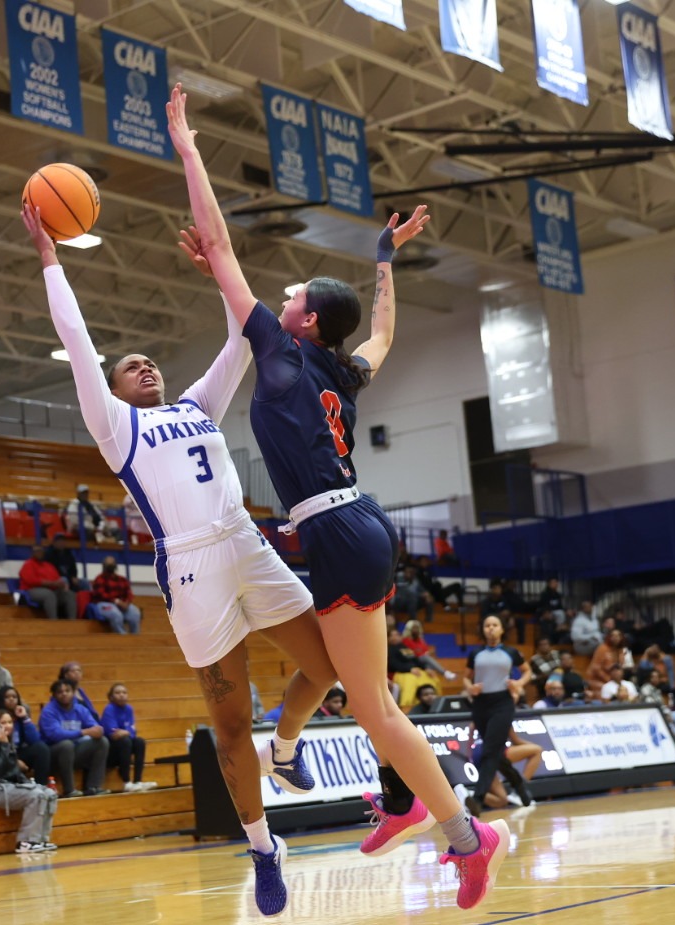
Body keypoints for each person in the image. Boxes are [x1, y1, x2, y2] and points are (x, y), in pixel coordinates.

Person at [170, 84, 504, 910]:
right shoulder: (338, 368)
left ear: (307, 322)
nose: (280, 297)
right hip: (354, 525)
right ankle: (391, 796)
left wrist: (187, 145)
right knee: (364, 694)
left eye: (292, 296)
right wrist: (383, 259)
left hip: (339, 530)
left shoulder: (282, 354)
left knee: (376, 708)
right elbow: (382, 333)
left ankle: (468, 836)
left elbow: (220, 240)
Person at [26, 177, 340, 917]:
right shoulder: (116, 427)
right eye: (130, 365)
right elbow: (77, 343)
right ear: (110, 389)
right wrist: (49, 258)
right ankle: (262, 848)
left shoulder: (197, 405)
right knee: (228, 726)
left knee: (329, 663)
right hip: (192, 566)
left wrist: (218, 270)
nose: (146, 366)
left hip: (246, 541)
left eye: (150, 361)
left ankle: (286, 746)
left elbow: (241, 338)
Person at [464, 615, 533, 812]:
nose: (491, 628)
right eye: (487, 625)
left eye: (495, 625)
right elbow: (466, 678)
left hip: (503, 703)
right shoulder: (475, 653)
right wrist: (470, 687)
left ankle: (478, 799)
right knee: (494, 752)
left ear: (502, 630)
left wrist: (518, 683)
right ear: (483, 630)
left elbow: (527, 671)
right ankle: (519, 784)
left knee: (490, 751)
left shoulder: (511, 652)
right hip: (481, 704)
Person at [0, 707, 59, 854]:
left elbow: (14, 771)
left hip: (9, 785)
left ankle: (41, 839)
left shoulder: (9, 742)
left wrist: (29, 783)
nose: (7, 726)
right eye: (3, 723)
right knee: (36, 796)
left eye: (10, 722)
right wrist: (4, 746)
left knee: (48, 793)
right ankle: (26, 842)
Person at [39, 679, 110, 796]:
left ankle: (94, 787)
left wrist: (98, 731)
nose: (64, 694)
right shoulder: (48, 711)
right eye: (60, 692)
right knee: (66, 744)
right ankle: (69, 790)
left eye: (67, 691)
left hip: (74, 751)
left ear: (73, 693)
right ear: (54, 695)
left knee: (102, 741)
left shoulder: (80, 709)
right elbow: (55, 735)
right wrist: (83, 732)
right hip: (53, 755)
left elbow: (96, 727)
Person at [0, 685, 52, 785]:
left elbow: (35, 740)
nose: (11, 699)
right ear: (0, 699)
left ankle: (41, 786)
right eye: (7, 697)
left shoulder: (20, 718)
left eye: (14, 697)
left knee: (41, 748)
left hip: (18, 752)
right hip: (0, 755)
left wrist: (25, 718)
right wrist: (14, 761)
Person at [101, 683, 152, 792]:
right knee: (125, 741)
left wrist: (125, 732)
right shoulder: (109, 709)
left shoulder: (129, 709)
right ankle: (126, 782)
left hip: (124, 745)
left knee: (140, 742)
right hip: (110, 751)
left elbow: (133, 731)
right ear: (111, 697)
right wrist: (126, 732)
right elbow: (113, 734)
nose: (121, 695)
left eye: (124, 692)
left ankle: (138, 781)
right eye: (117, 693)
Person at [90, 557, 142, 633]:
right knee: (116, 614)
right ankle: (122, 637)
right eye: (108, 564)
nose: (110, 565)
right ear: (104, 566)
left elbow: (129, 593)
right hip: (104, 603)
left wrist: (126, 603)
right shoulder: (99, 578)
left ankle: (135, 637)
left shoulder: (122, 579)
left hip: (122, 604)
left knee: (135, 613)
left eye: (112, 564)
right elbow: (101, 595)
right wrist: (117, 601)